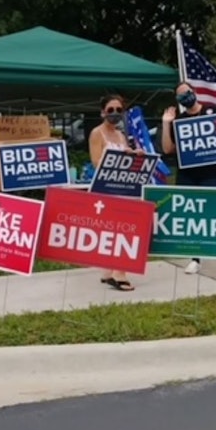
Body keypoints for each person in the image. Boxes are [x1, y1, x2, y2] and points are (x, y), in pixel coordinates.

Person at [161, 81, 216, 274]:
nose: (186, 98)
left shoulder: (212, 112)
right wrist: (166, 123)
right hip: (187, 175)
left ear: (195, 92)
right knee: (193, 218)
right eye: (181, 96)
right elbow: (168, 148)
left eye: (188, 93)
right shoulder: (179, 121)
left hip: (210, 174)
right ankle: (196, 258)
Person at [89, 94, 144, 291]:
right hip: (106, 189)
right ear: (103, 111)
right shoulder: (97, 133)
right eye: (110, 110)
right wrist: (116, 160)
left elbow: (127, 155)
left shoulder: (120, 135)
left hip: (124, 188)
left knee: (121, 230)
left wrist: (135, 154)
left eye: (119, 110)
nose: (114, 114)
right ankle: (120, 273)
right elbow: (96, 162)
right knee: (118, 231)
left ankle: (108, 271)